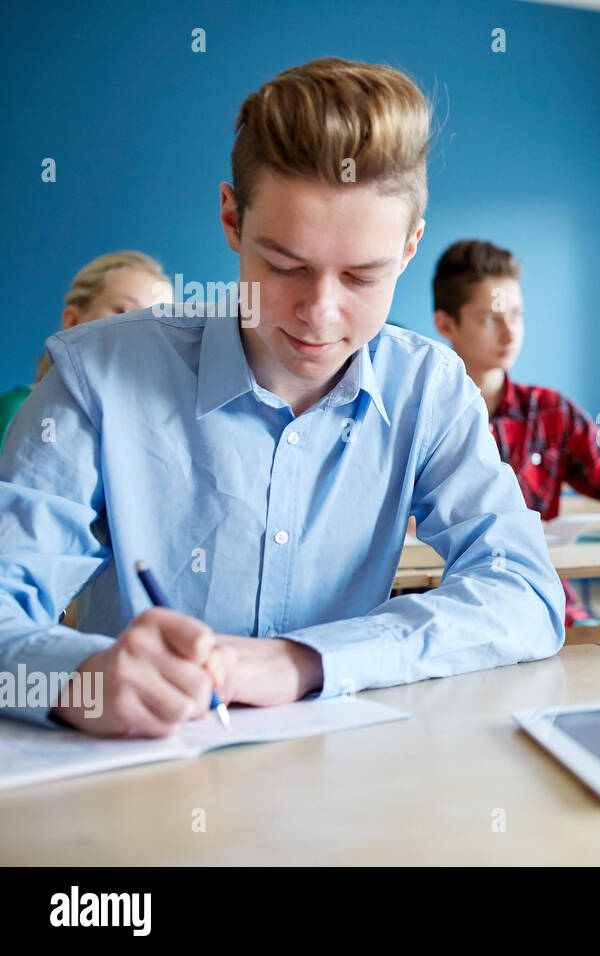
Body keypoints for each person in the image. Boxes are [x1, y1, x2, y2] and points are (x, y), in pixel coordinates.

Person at [0, 57, 563, 737]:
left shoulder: (431, 389)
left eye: (362, 276)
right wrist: (79, 680)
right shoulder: (97, 376)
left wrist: (303, 662)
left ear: (411, 247)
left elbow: (526, 593)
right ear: (232, 220)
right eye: (286, 265)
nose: (319, 315)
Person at [433, 239, 600, 625]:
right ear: (446, 324)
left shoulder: (550, 412)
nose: (510, 334)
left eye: (517, 315)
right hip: (448, 612)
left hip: (543, 605)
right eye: (491, 319)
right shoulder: (422, 414)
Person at [0, 252, 173, 448]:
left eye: (157, 323)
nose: (142, 330)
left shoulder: (144, 435)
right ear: (72, 321)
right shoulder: (13, 412)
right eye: (123, 311)